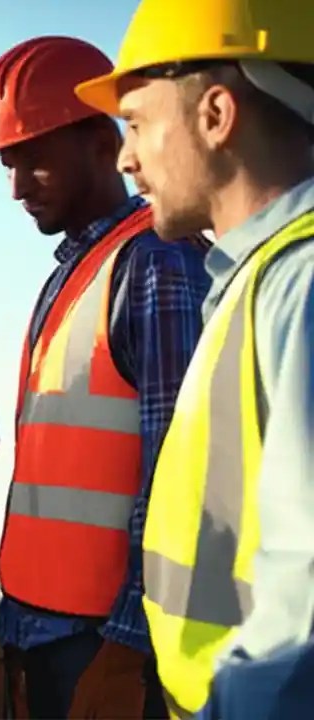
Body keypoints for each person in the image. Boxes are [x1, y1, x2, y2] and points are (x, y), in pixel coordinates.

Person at [73, 0, 314, 716]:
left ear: (215, 115)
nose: (124, 156)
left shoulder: (298, 284)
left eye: (137, 123)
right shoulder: (255, 281)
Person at [0, 36, 212, 719]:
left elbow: (176, 477)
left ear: (103, 144)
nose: (14, 187)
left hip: (103, 649)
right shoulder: (71, 273)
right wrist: (9, 644)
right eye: (6, 164)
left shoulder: (157, 263)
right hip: (40, 644)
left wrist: (127, 657)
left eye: (32, 161)